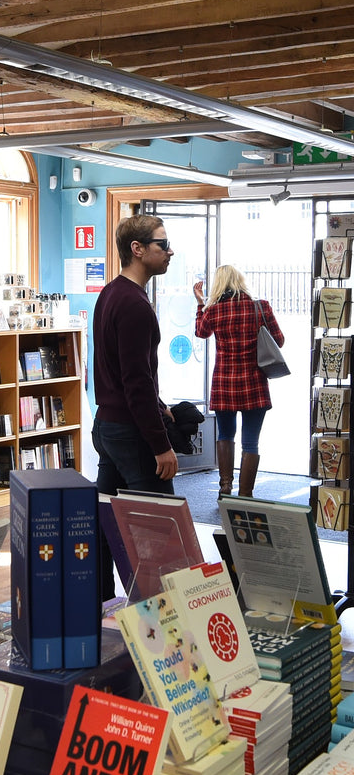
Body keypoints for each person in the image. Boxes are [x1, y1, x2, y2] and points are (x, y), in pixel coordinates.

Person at [92, 214, 178, 599]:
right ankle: (161, 619)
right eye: (162, 244)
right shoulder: (135, 305)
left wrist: (158, 403)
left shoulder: (110, 293)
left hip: (107, 426)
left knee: (105, 525)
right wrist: (161, 444)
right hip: (129, 431)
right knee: (157, 532)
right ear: (138, 250)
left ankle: (103, 607)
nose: (170, 251)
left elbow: (121, 368)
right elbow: (136, 381)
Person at [193, 264, 284, 498]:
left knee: (225, 434)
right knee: (251, 442)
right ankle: (245, 494)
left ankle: (225, 487)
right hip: (254, 384)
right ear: (240, 282)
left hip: (224, 384)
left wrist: (201, 303)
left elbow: (201, 333)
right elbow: (279, 341)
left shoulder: (214, 311)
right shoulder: (259, 307)